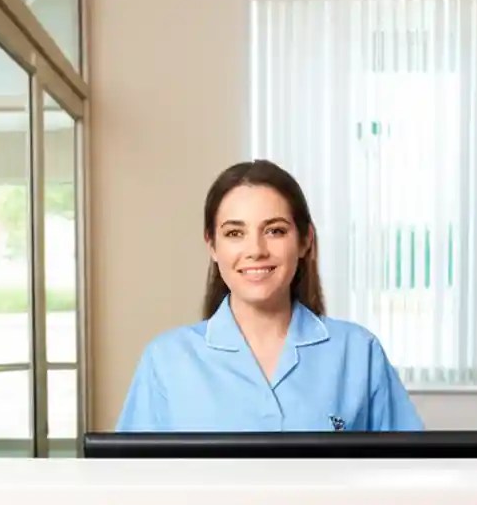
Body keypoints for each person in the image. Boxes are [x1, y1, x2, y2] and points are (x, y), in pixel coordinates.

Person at [116, 159, 423, 433]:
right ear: (212, 245)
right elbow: (131, 485)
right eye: (235, 233)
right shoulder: (166, 360)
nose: (256, 251)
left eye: (275, 231)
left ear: (305, 241)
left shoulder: (358, 352)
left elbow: (408, 475)